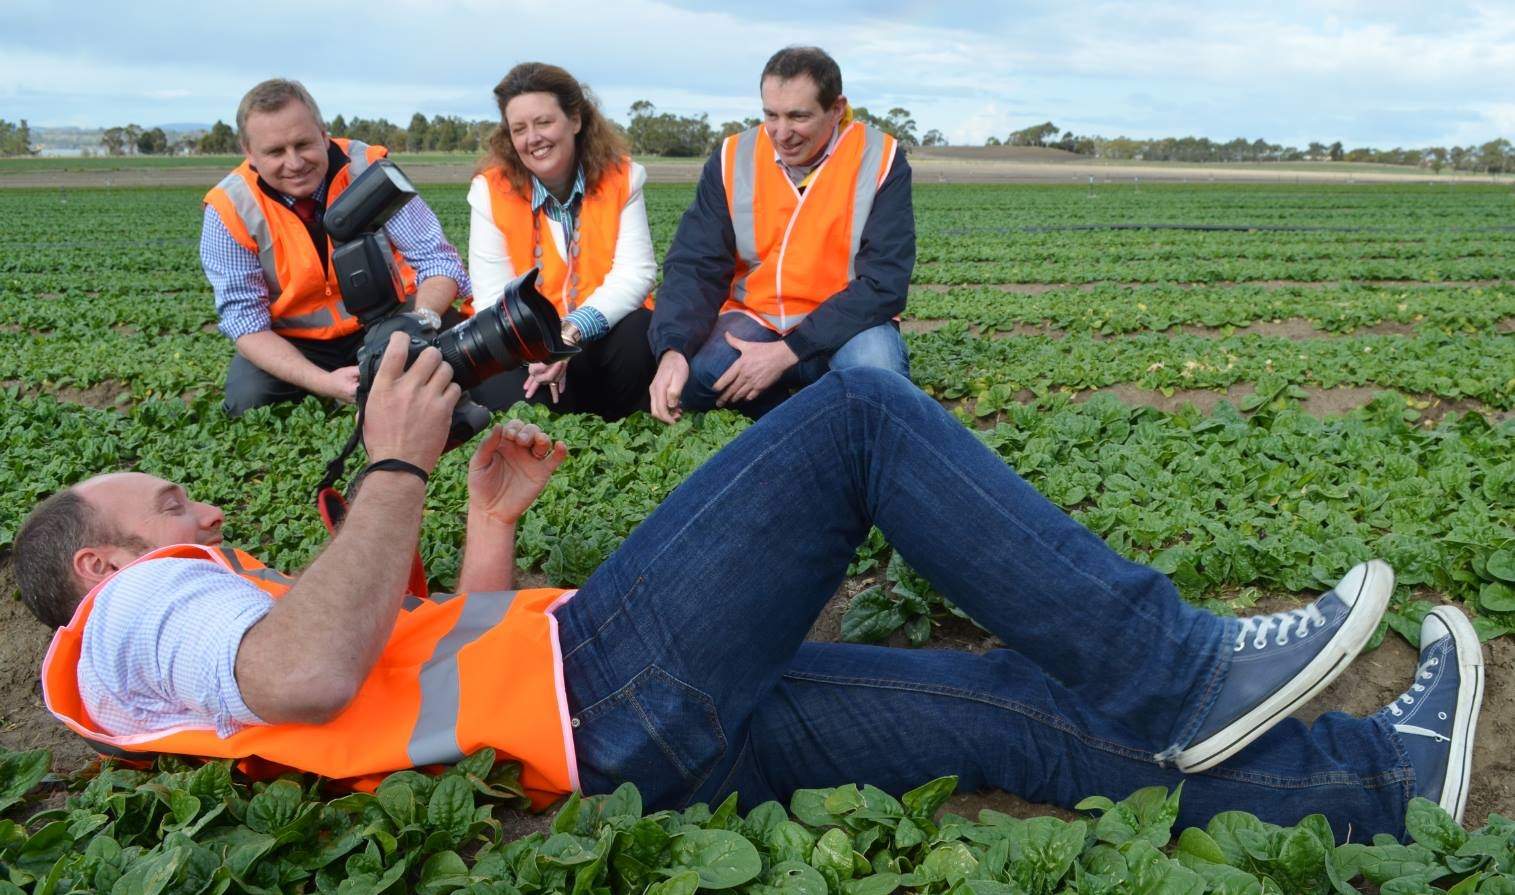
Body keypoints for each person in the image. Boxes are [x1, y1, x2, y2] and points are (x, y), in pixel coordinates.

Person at [18, 344, 1483, 836]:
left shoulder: (174, 640)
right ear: (100, 558)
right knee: (853, 419)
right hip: (606, 686)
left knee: (1006, 711)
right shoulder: (144, 609)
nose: (199, 506)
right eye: (166, 502)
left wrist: (481, 523)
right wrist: (392, 464)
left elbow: (407, 677)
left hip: (610, 752)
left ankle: (1376, 775)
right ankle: (1186, 670)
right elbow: (304, 676)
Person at [647, 46, 914, 423]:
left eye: (798, 117)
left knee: (878, 375)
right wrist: (672, 349)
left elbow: (884, 281)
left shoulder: (880, 158)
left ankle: (801, 401)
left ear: (837, 109)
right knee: (695, 378)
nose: (781, 133)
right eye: (771, 115)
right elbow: (695, 264)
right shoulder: (732, 156)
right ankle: (815, 408)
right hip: (760, 317)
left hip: (848, 324)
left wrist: (788, 352)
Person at [201, 78, 472, 416]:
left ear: (323, 132)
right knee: (249, 403)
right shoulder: (230, 207)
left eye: (303, 144)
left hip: (393, 320)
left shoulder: (369, 171)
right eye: (275, 152)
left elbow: (439, 262)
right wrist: (323, 383)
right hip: (297, 343)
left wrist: (421, 320)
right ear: (250, 153)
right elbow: (246, 325)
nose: (295, 162)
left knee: (466, 366)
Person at [467, 63, 657, 420]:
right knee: (520, 399)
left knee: (639, 333)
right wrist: (543, 353)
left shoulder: (624, 178)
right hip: (525, 347)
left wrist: (570, 334)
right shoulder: (488, 191)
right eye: (519, 129)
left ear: (575, 120)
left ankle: (616, 420)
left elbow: (636, 273)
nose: (532, 138)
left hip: (594, 333)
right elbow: (493, 299)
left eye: (543, 122)